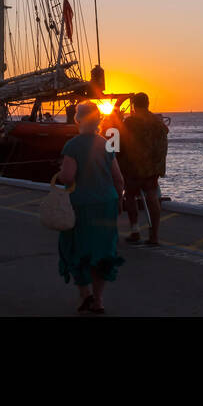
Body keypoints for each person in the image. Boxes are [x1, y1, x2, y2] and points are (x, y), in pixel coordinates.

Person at [55, 101, 125, 313]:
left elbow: (68, 177)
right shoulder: (106, 143)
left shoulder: (72, 146)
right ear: (98, 120)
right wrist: (119, 201)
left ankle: (85, 295)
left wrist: (58, 174)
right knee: (103, 251)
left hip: (82, 206)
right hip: (106, 203)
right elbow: (118, 179)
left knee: (78, 249)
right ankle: (99, 300)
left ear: (78, 119)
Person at [120, 92, 169, 245]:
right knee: (152, 197)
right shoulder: (158, 121)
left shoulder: (130, 122)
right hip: (153, 168)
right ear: (147, 103)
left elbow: (120, 143)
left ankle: (135, 231)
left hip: (133, 168)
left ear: (134, 105)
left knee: (130, 197)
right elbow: (162, 146)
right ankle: (154, 235)